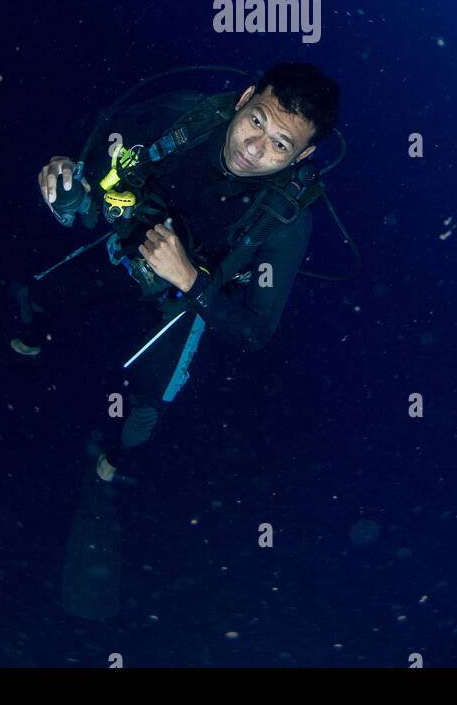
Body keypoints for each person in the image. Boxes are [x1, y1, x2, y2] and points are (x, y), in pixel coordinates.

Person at [34, 62, 340, 481]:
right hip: (125, 248)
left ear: (302, 156)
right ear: (244, 99)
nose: (254, 148)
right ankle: (27, 343)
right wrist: (64, 162)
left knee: (149, 404)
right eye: (257, 120)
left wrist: (190, 281)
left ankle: (115, 465)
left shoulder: (285, 221)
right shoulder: (183, 116)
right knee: (41, 295)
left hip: (183, 306)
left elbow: (256, 332)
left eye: (280, 144)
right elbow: (96, 127)